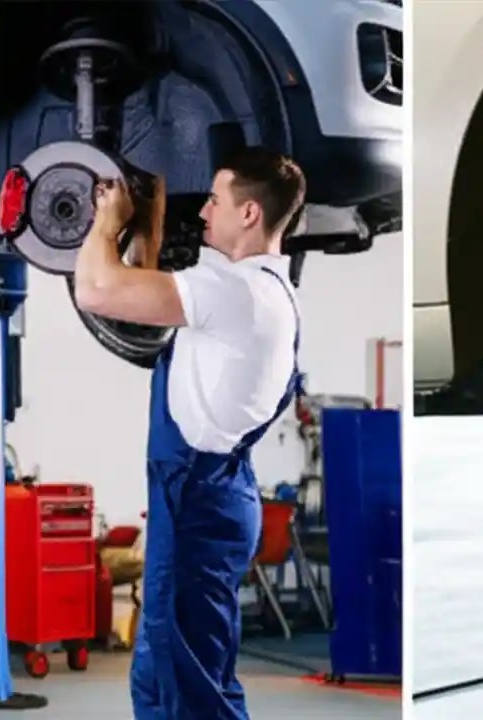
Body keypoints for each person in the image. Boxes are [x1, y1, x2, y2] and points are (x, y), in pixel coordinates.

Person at [73, 146, 306, 720]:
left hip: (198, 503)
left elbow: (98, 290)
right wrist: (149, 218)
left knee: (191, 690)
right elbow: (144, 303)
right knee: (161, 677)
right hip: (208, 497)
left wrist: (107, 219)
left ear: (248, 214)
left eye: (214, 199)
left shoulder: (233, 289)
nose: (202, 212)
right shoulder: (265, 292)